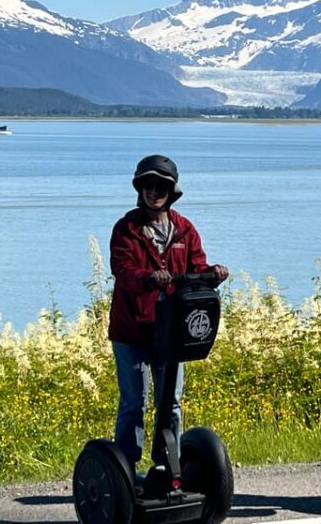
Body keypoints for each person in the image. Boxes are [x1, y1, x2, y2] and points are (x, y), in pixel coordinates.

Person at [109, 154, 228, 466]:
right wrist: (149, 278)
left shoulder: (184, 230)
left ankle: (167, 463)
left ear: (171, 191)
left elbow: (196, 268)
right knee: (134, 403)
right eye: (148, 186)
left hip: (171, 332)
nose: (154, 192)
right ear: (140, 190)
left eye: (161, 187)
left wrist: (212, 275)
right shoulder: (126, 229)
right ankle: (127, 470)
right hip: (132, 330)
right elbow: (123, 270)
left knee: (171, 402)